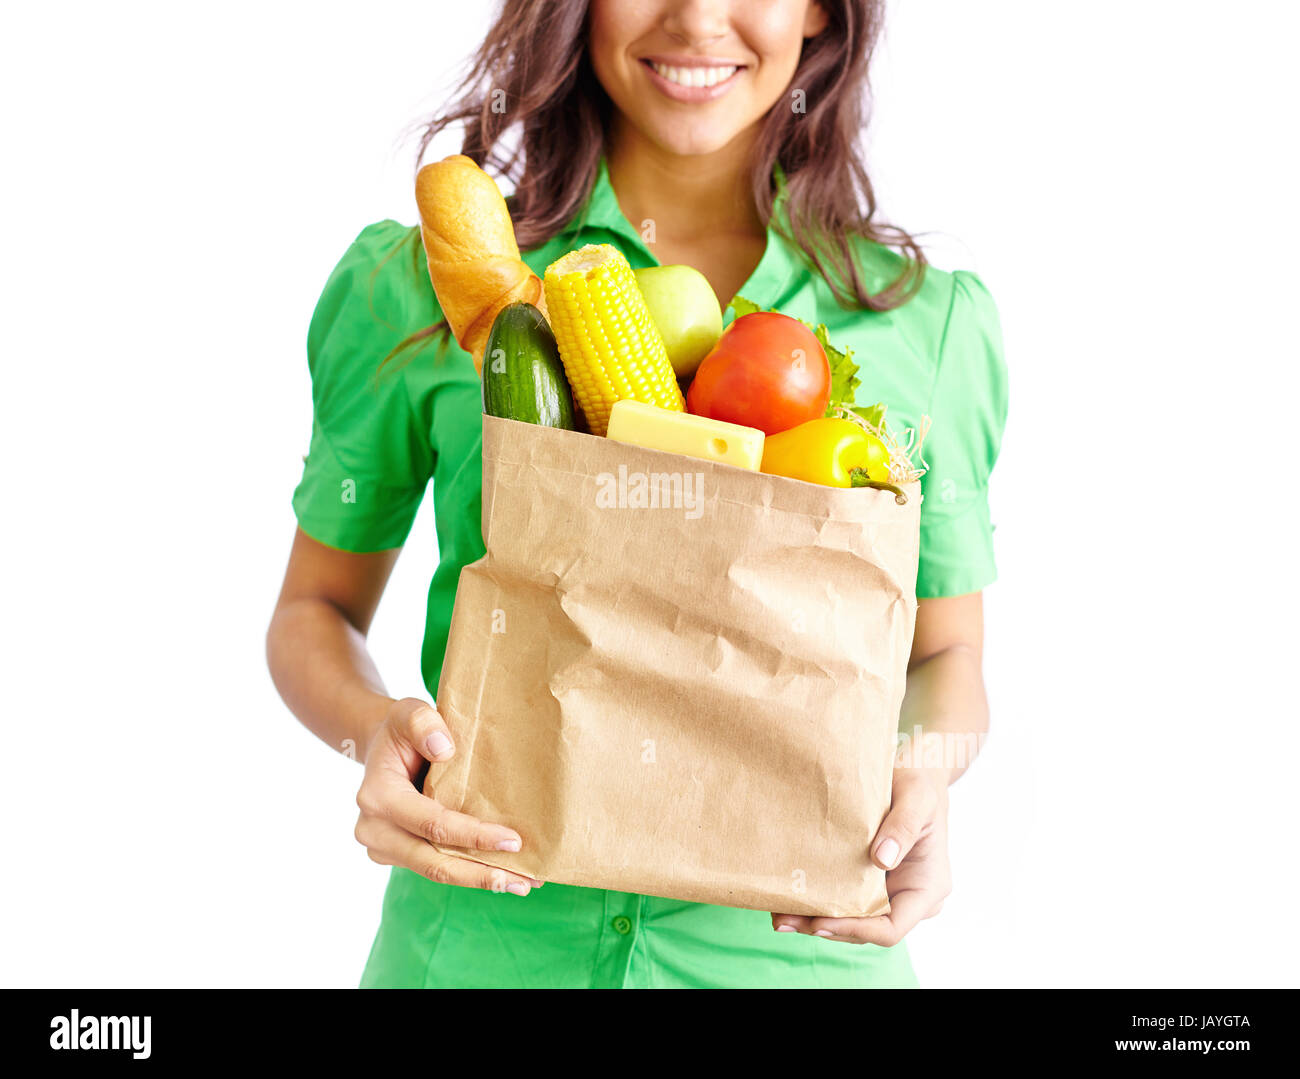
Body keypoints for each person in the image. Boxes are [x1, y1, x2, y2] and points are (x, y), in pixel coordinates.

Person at [267, 0, 1008, 989]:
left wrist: (923, 764)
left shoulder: (926, 326)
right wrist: (375, 729)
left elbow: (947, 650)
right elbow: (312, 609)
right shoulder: (422, 288)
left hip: (791, 956)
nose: (698, 19)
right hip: (483, 936)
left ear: (823, 13)